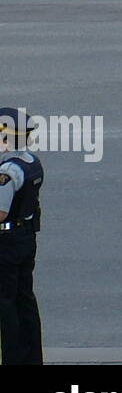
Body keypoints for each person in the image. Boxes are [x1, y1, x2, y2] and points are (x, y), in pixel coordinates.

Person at [0, 108, 43, 365]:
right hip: (25, 238)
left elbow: (1, 212)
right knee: (25, 300)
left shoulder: (7, 172)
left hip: (6, 243)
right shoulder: (31, 162)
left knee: (6, 306)